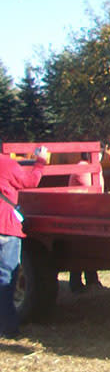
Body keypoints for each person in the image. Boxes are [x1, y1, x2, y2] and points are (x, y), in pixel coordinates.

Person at [0, 144, 48, 338]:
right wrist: (41, 161)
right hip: (5, 227)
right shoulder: (7, 164)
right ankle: (8, 327)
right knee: (6, 278)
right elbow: (31, 181)